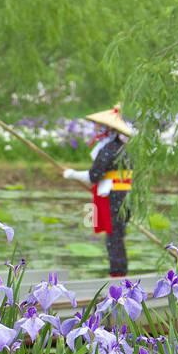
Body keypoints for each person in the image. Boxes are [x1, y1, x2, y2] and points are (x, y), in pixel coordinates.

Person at [61, 104, 135, 277]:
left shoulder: (109, 149)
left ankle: (117, 276)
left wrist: (71, 174)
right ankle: (119, 274)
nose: (98, 131)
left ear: (109, 130)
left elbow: (94, 176)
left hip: (115, 199)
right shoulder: (125, 149)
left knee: (113, 239)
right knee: (118, 237)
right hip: (126, 198)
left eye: (102, 128)